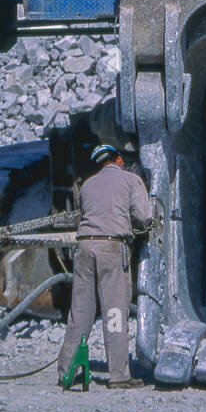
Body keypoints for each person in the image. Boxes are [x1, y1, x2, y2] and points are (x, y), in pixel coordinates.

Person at [57, 144, 154, 389]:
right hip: (112, 248)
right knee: (114, 313)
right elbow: (144, 218)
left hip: (84, 248)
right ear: (119, 159)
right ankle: (118, 375)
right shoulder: (131, 180)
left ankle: (66, 370)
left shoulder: (87, 185)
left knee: (80, 312)